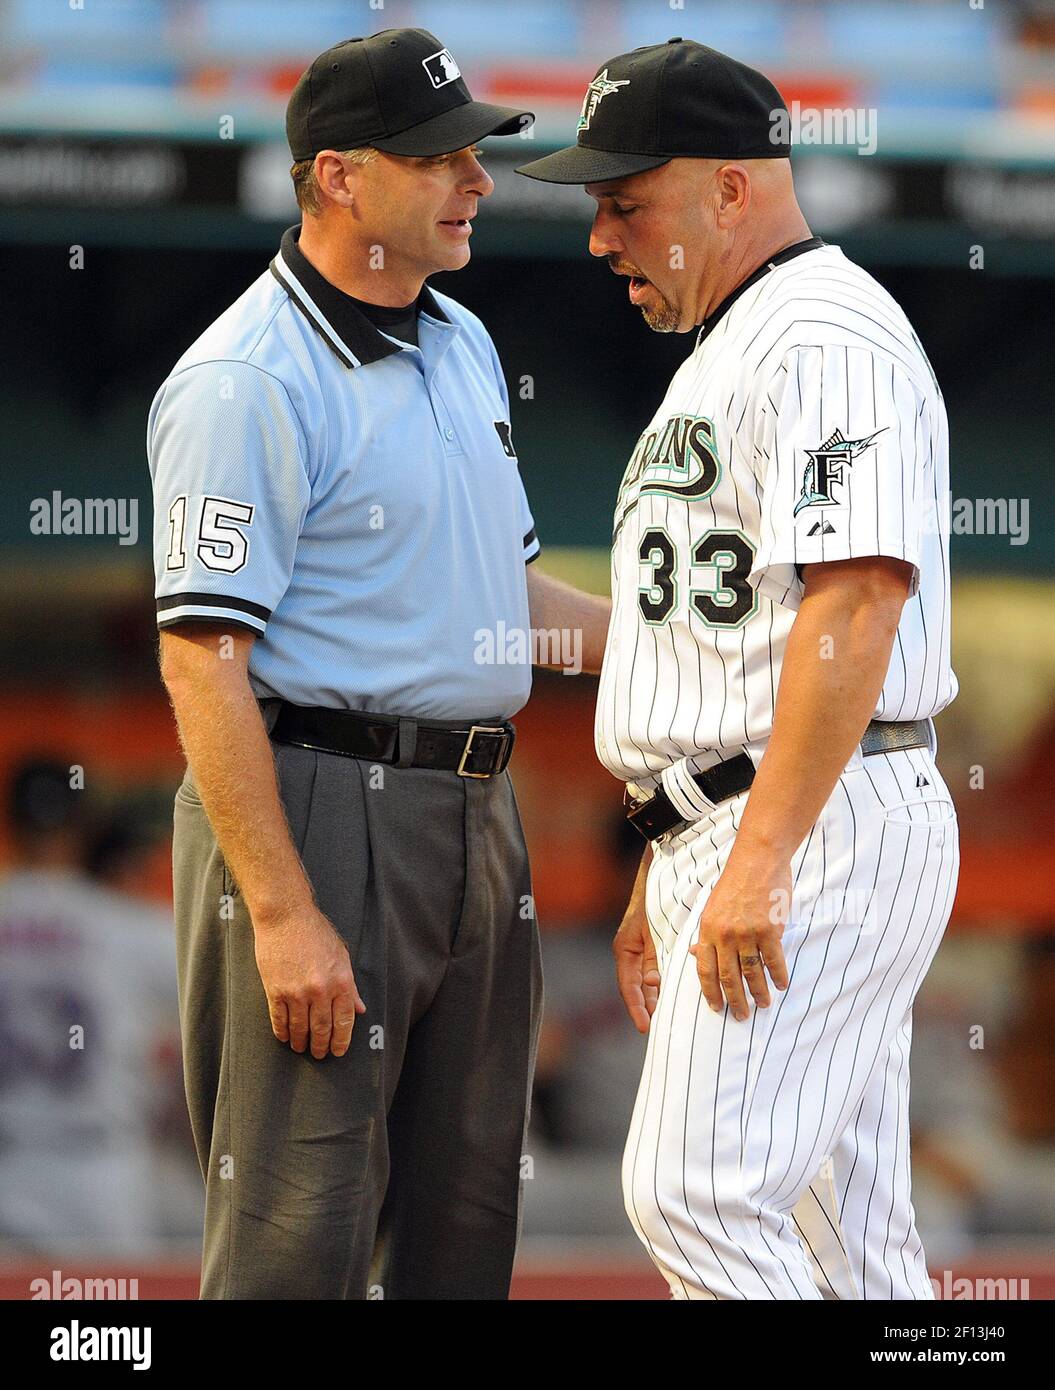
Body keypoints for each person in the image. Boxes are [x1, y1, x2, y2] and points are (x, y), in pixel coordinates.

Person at [147, 28, 609, 1300]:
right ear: (339, 177)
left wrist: (696, 648)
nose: (476, 179)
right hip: (315, 803)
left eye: (474, 154)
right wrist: (282, 912)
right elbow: (202, 660)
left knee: (464, 1227)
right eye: (439, 157)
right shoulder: (245, 377)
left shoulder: (460, 338)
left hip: (477, 807)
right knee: (297, 1234)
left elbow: (507, 601)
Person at [519, 38, 958, 1300]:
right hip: (758, 815)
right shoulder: (738, 341)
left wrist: (756, 854)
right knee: (842, 1239)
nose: (599, 236)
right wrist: (667, 842)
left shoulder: (822, 334)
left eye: (624, 202)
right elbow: (701, 643)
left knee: (693, 1192)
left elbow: (854, 602)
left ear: (728, 187)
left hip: (811, 816)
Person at [0, 759, 186, 1251]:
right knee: (110, 1304)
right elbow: (228, 998)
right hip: (100, 1168)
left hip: (8, 1165)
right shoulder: (125, 924)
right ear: (82, 827)